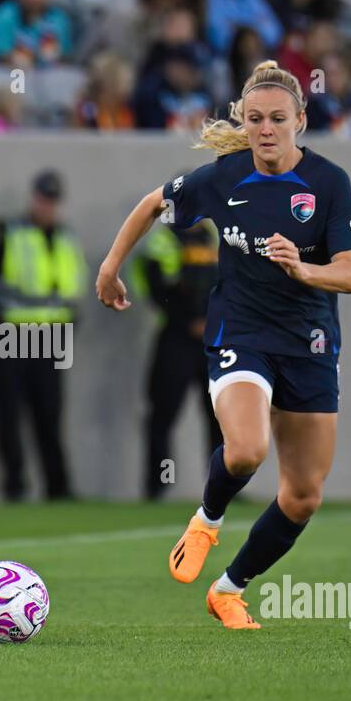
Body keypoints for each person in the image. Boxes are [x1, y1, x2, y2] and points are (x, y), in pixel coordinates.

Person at [96, 59, 351, 630]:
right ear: (243, 122)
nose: (265, 129)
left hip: (311, 342)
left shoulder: (328, 183)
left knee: (303, 496)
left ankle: (228, 589)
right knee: (245, 450)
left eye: (277, 119)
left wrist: (304, 270)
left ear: (300, 119)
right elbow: (151, 204)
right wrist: (110, 268)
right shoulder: (224, 178)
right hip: (240, 333)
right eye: (254, 119)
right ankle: (207, 521)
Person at [0, 170, 86, 502]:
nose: (47, 206)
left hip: (49, 340)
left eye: (52, 201)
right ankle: (15, 487)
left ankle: (58, 488)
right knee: (9, 415)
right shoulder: (6, 233)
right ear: (33, 198)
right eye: (43, 199)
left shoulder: (66, 238)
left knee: (49, 415)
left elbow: (72, 291)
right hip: (10, 337)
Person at [131, 196, 221, 500]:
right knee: (164, 412)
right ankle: (158, 483)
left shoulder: (213, 236)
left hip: (211, 338)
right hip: (176, 337)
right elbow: (158, 290)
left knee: (218, 415)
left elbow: (225, 283)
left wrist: (211, 320)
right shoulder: (163, 241)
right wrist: (188, 321)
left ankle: (220, 488)